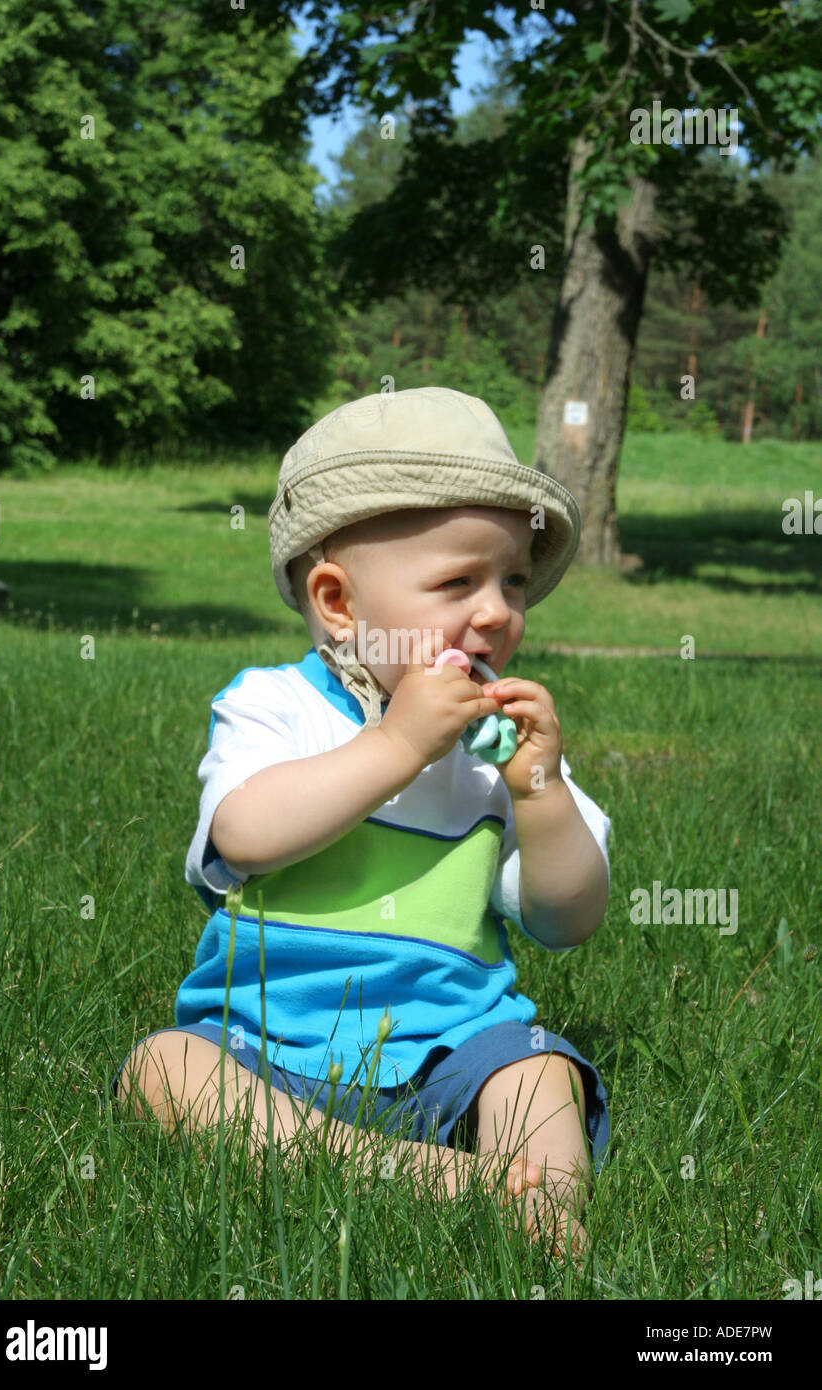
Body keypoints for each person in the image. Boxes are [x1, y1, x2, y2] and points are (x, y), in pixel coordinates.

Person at [112, 386, 612, 1259]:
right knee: (163, 1070)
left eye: (513, 581)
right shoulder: (272, 707)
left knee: (540, 1070)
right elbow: (245, 837)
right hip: (263, 1042)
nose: (497, 610)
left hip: (452, 1047)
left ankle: (543, 1213)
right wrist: (398, 743)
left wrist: (538, 794)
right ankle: (418, 1175)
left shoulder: (504, 753)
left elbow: (567, 919)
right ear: (339, 603)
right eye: (459, 581)